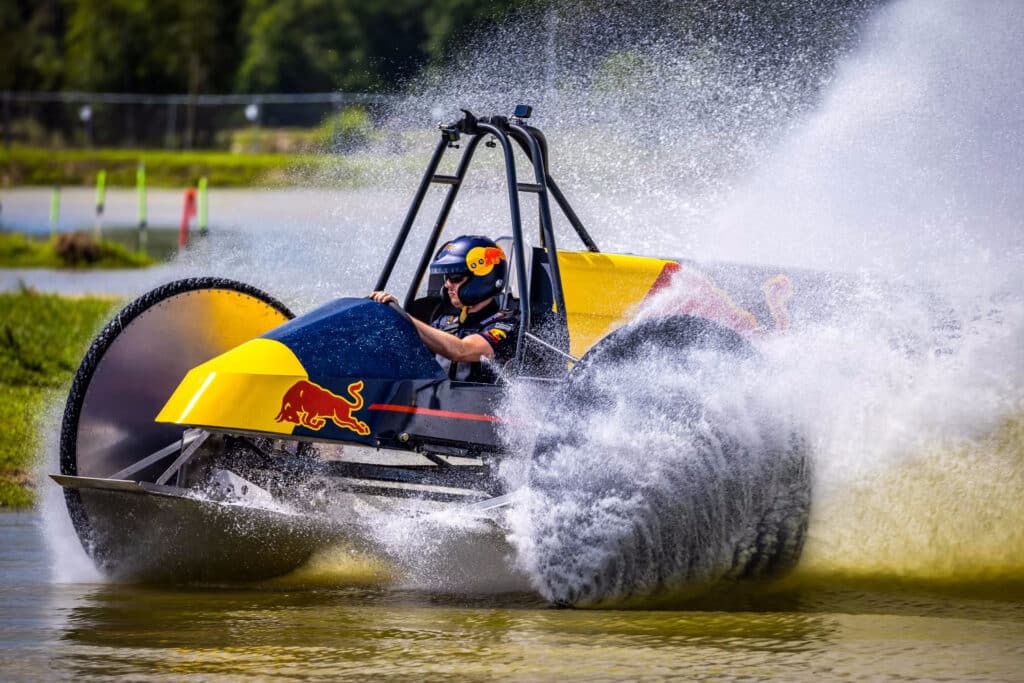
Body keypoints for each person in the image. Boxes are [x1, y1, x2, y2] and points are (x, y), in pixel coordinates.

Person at [369, 235, 519, 382]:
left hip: (479, 404)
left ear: (482, 279)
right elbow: (408, 351)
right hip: (434, 401)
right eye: (446, 277)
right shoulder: (445, 322)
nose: (447, 284)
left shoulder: (505, 326)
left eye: (455, 278)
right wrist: (390, 317)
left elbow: (462, 350)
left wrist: (405, 318)